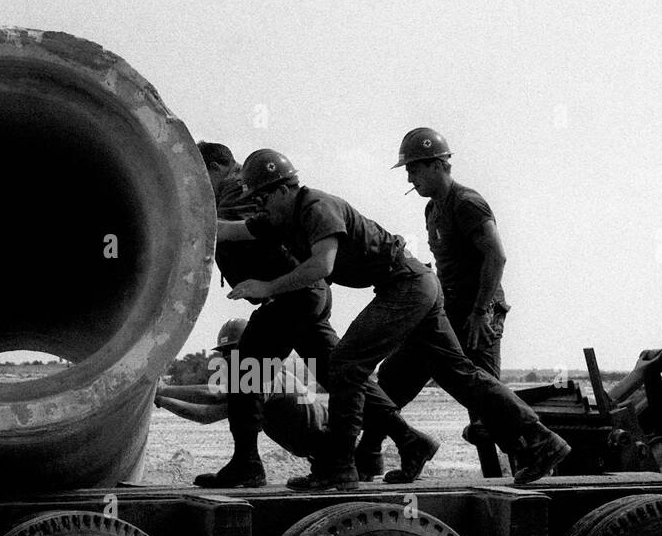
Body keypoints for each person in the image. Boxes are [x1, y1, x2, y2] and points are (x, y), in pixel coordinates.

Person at [221, 148, 571, 490]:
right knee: (457, 373)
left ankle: (341, 466)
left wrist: (268, 287)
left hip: (406, 284)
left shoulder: (316, 206)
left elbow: (321, 266)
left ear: (283, 188)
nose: (259, 207)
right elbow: (235, 230)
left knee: (346, 363)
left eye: (263, 199)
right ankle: (540, 439)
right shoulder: (281, 216)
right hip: (416, 284)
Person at [194, 141, 434, 488]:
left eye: (200, 174)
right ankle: (409, 439)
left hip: (293, 295)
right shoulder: (252, 195)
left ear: (216, 167)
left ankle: (246, 463)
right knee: (338, 372)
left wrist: (268, 286)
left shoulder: (238, 191)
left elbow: (248, 228)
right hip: (308, 294)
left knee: (244, 366)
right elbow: (237, 231)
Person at [361, 127, 510, 473]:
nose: (411, 179)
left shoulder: (466, 203)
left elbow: (496, 256)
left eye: (414, 169)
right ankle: (370, 455)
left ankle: (517, 466)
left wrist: (480, 312)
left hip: (478, 315)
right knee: (396, 375)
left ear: (436, 165)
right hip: (448, 310)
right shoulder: (433, 210)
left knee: (485, 403)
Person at [156, 319, 327, 463]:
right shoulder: (252, 390)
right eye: (225, 352)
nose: (228, 357)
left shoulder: (268, 375)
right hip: (326, 456)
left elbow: (215, 395)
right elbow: (206, 414)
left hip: (344, 450)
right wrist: (161, 399)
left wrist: (164, 389)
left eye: (233, 350)